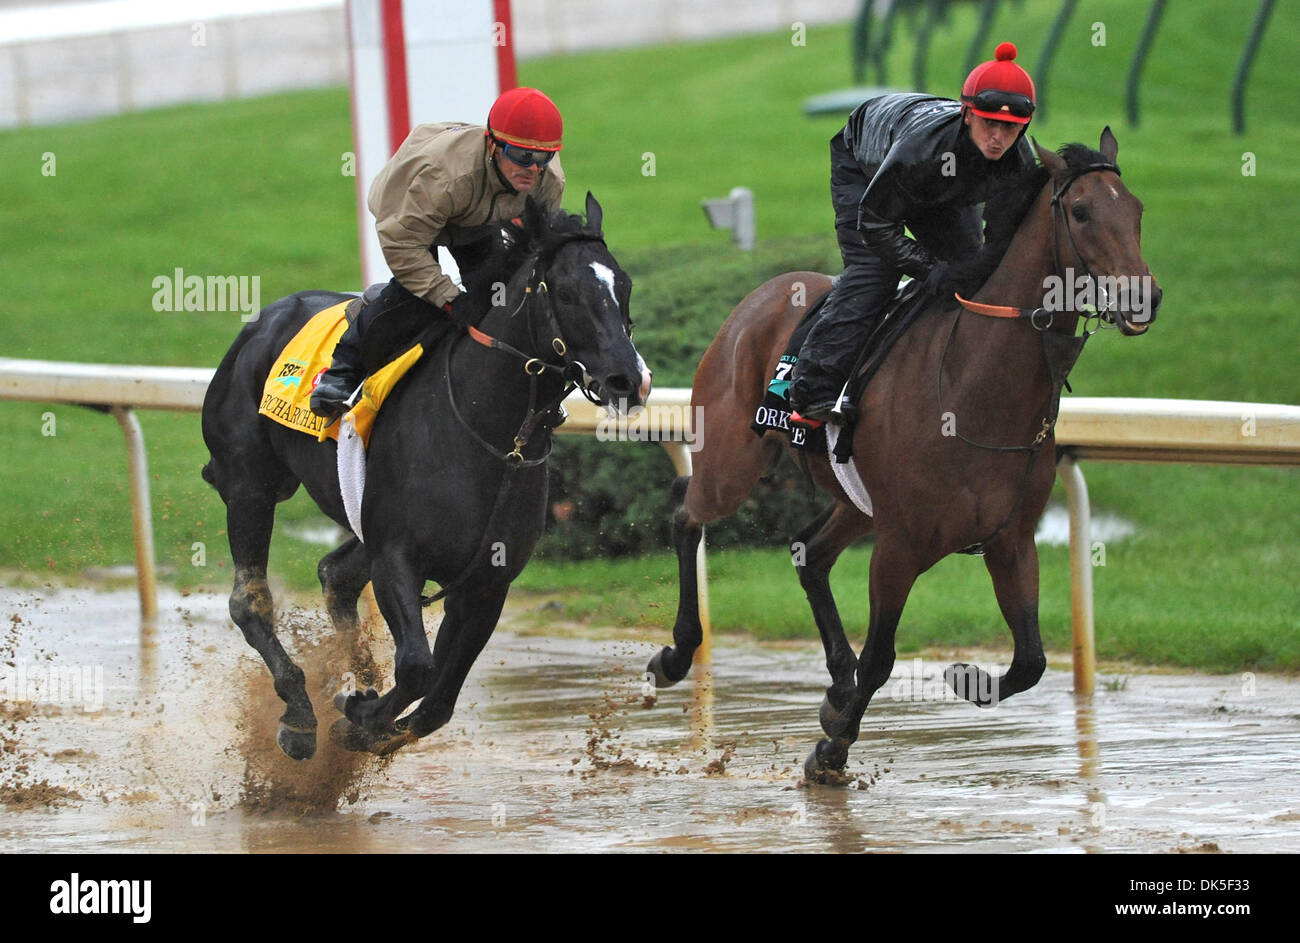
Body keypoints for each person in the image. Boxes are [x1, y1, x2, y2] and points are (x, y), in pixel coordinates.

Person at [788, 42, 1037, 423]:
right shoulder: (919, 151)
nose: (998, 139)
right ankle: (812, 390)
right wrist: (928, 269)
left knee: (971, 273)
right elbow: (874, 224)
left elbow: (1003, 240)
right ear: (968, 115)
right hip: (867, 167)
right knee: (876, 275)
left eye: (1010, 129)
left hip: (940, 186)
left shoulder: (1019, 162)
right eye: (990, 124)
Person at [310, 86, 566, 420]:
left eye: (542, 159)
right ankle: (342, 370)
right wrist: (449, 298)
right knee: (414, 298)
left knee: (497, 296)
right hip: (407, 211)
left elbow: (535, 251)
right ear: (493, 145)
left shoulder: (548, 181)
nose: (532, 169)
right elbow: (403, 245)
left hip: (474, 216)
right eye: (521, 157)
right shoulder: (442, 175)